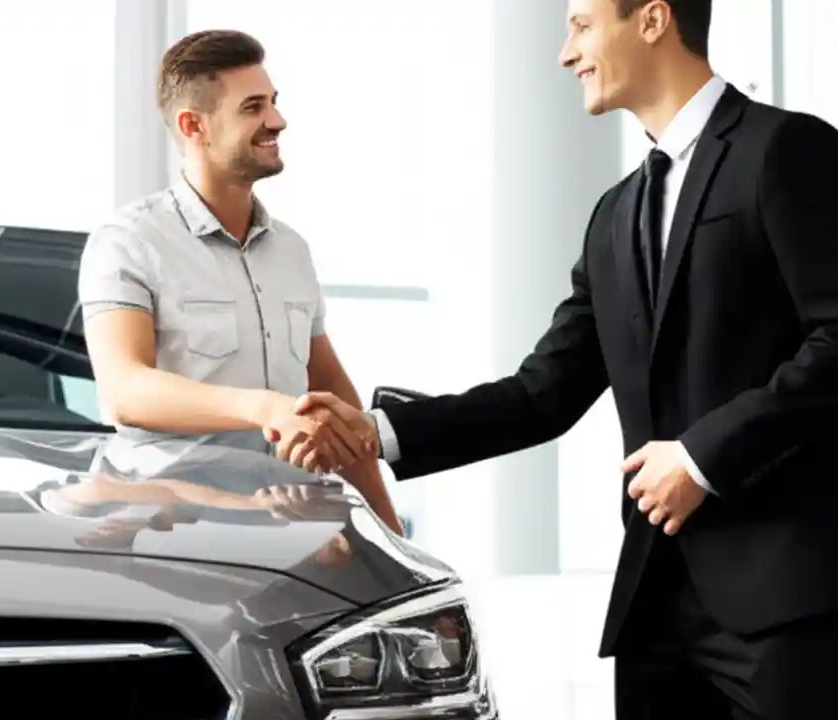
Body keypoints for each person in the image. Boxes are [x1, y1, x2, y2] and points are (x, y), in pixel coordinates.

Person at [293, 0, 838, 717]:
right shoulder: (613, 215)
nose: (564, 52)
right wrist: (377, 433)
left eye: (581, 25)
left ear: (652, 20)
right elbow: (541, 393)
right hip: (654, 612)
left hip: (788, 609)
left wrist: (703, 457)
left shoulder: (787, 150)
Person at [76, 29, 402, 534]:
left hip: (291, 534)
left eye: (272, 102)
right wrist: (263, 407)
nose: (277, 120)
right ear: (194, 125)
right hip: (174, 533)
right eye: (253, 108)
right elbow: (125, 389)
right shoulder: (128, 241)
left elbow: (331, 395)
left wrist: (386, 529)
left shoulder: (292, 251)